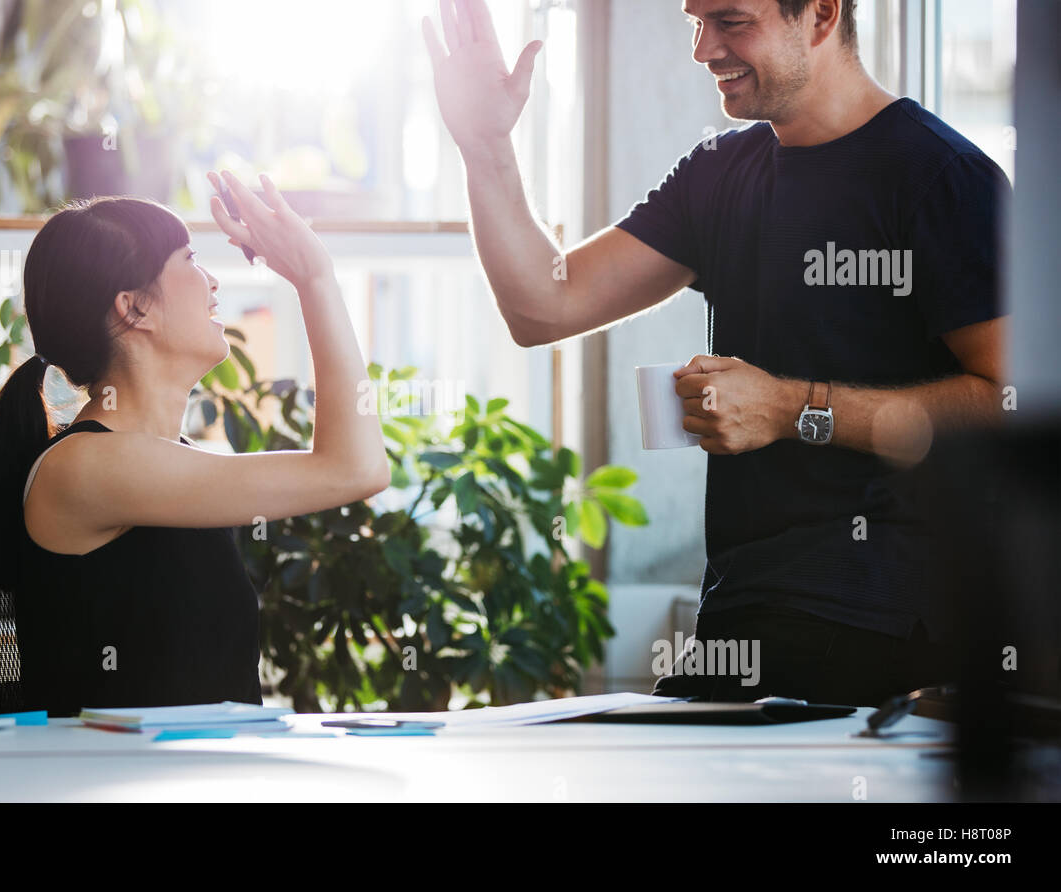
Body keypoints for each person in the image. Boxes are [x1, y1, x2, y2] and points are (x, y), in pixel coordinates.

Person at [423, 0, 1009, 705]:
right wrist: (485, 143)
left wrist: (792, 408)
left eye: (730, 22)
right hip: (746, 608)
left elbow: (1013, 399)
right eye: (693, 21)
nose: (703, 50)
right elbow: (542, 306)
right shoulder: (718, 172)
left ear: (820, 15)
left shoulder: (942, 178)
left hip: (885, 621)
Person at [0, 175, 390, 717]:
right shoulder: (89, 465)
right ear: (133, 308)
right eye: (189, 260)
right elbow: (355, 469)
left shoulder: (165, 460)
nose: (213, 281)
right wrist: (315, 279)